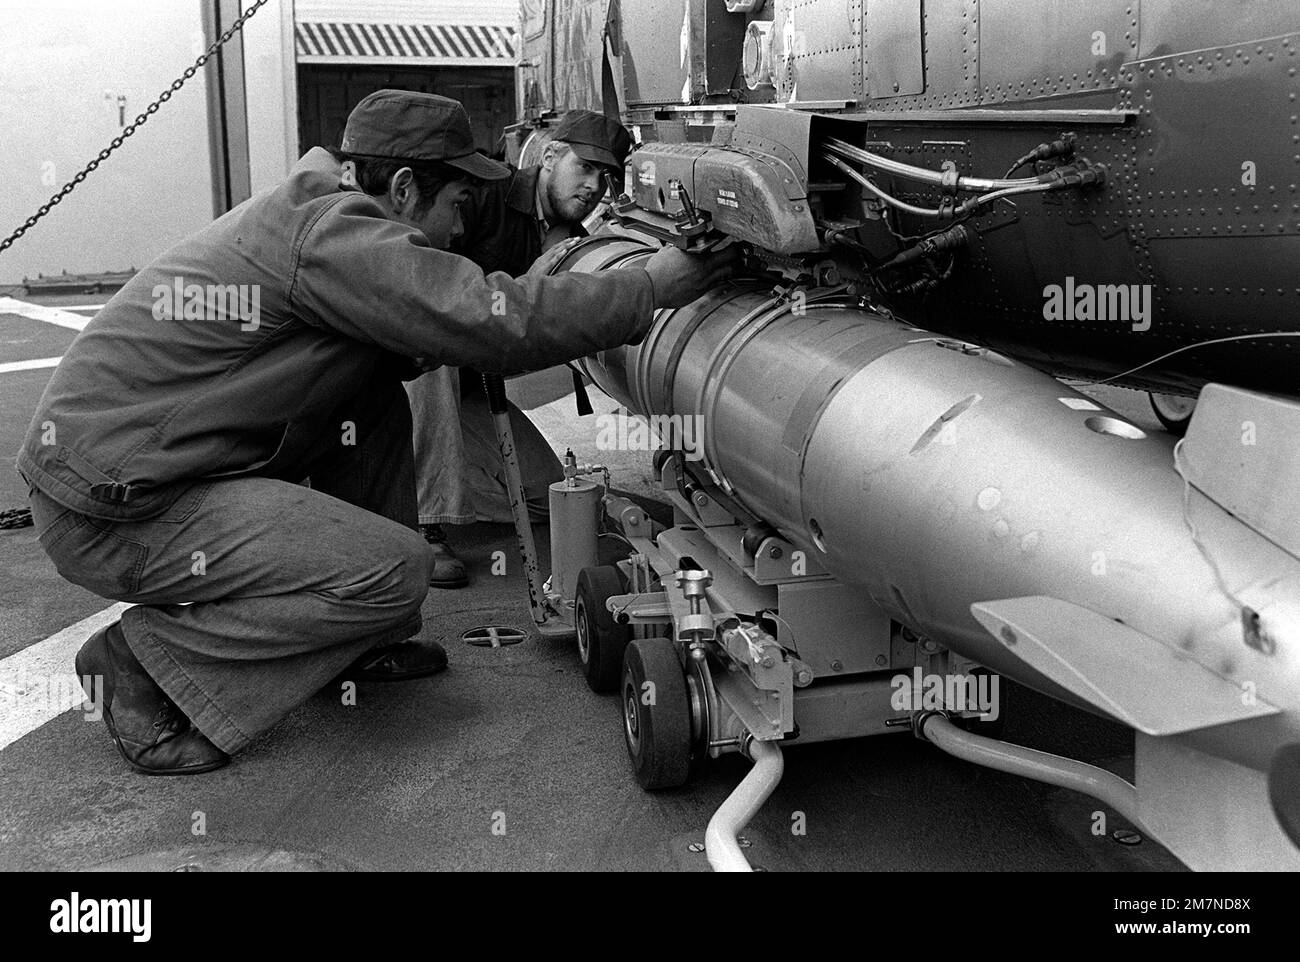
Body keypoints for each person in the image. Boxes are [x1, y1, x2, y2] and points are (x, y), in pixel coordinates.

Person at [15, 90, 735, 776]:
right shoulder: (334, 233)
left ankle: (356, 644)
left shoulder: (321, 215)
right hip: (116, 507)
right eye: (455, 205)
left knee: (372, 399)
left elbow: (423, 334)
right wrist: (650, 287)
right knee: (393, 570)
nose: (460, 231)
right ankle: (145, 666)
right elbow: (485, 318)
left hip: (136, 471)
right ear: (400, 189)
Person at [407, 109, 633, 588]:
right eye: (586, 167)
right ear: (551, 155)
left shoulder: (576, 242)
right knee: (432, 351)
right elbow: (435, 300)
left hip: (470, 388)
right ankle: (425, 524)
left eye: (606, 176)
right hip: (414, 372)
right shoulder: (483, 196)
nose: (594, 185)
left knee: (542, 496)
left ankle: (407, 481)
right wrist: (531, 286)